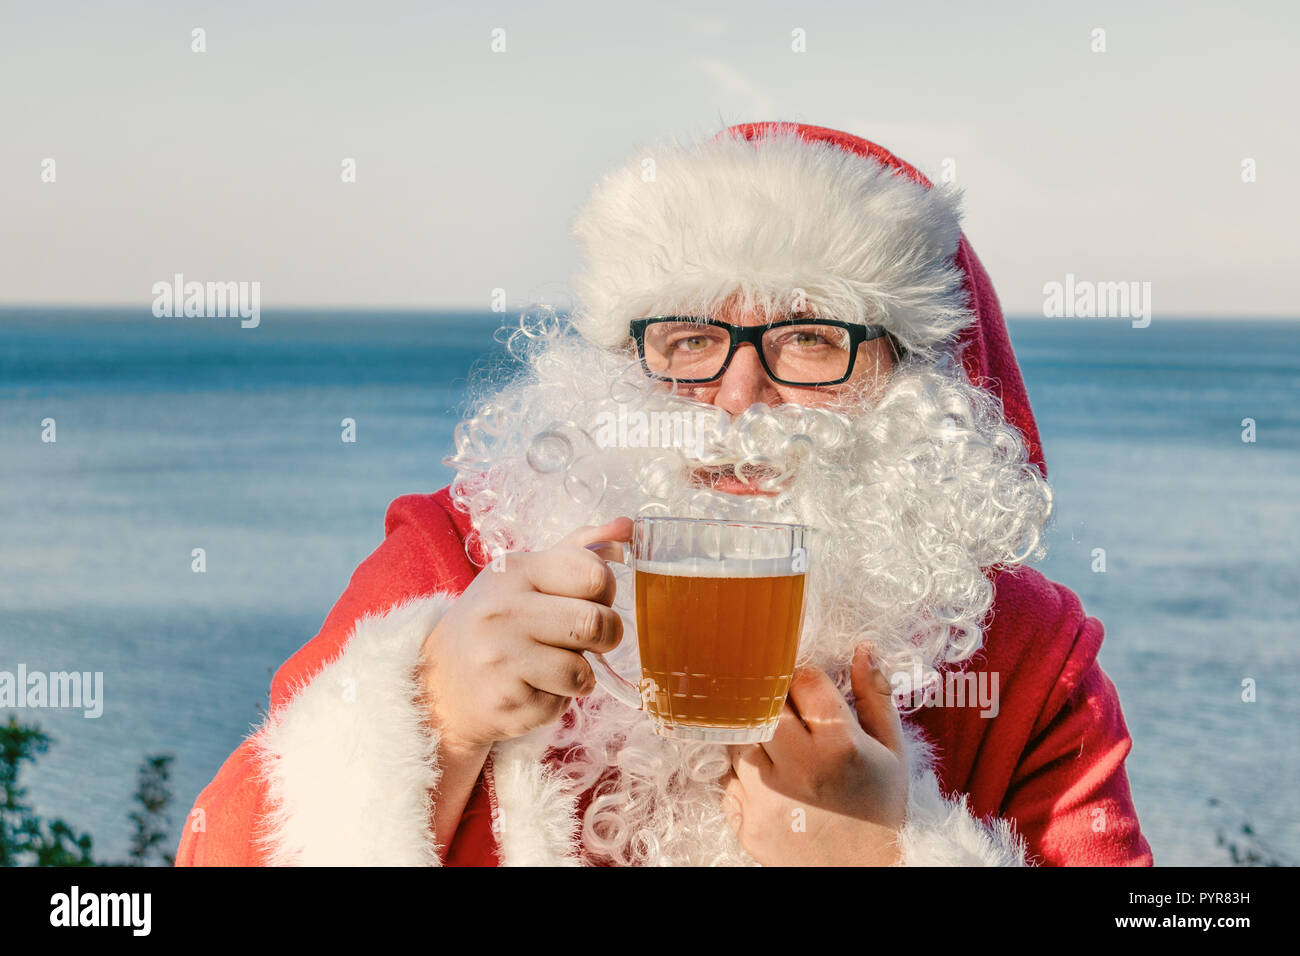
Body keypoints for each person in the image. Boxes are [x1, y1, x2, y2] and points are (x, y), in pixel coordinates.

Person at [176, 121, 1153, 866]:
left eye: (810, 339)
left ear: (923, 382)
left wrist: (878, 855)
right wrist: (429, 713)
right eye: (687, 340)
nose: (734, 398)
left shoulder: (1027, 663)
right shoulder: (459, 563)